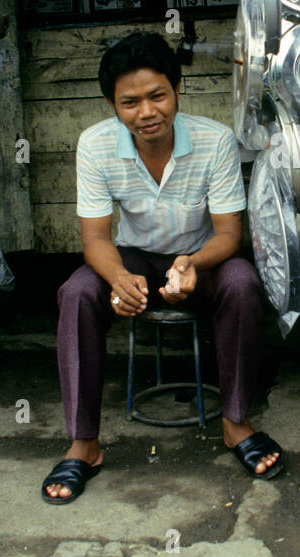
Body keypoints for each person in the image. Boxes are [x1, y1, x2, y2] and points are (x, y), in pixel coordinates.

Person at [41, 32, 284, 504]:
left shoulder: (215, 141)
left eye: (157, 96)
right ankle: (83, 444)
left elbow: (230, 235)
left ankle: (236, 423)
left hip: (201, 259)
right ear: (112, 105)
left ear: (177, 91)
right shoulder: (94, 145)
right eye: (129, 102)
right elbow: (94, 238)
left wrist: (191, 263)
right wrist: (117, 277)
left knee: (242, 283)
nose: (147, 112)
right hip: (133, 259)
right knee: (76, 292)